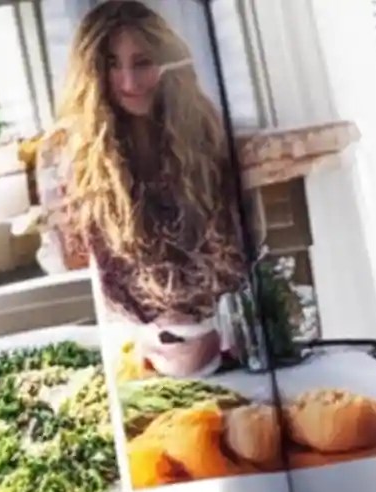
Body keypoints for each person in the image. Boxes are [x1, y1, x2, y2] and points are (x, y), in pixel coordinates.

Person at [39, 0, 244, 376]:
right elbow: (75, 272)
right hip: (129, 356)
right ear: (92, 72)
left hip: (219, 345)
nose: (129, 83)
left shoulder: (203, 132)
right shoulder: (67, 155)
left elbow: (232, 253)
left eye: (143, 62)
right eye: (112, 65)